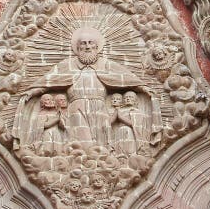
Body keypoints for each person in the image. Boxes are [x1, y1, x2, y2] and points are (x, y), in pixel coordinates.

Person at [20, 26, 154, 147]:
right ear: (78, 48)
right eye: (83, 43)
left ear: (96, 47)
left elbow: (128, 79)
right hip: (77, 107)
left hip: (99, 108)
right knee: (81, 142)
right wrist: (31, 93)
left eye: (91, 43)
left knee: (101, 143)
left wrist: (144, 89)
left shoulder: (107, 65)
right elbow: (47, 82)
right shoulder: (67, 65)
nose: (87, 46)